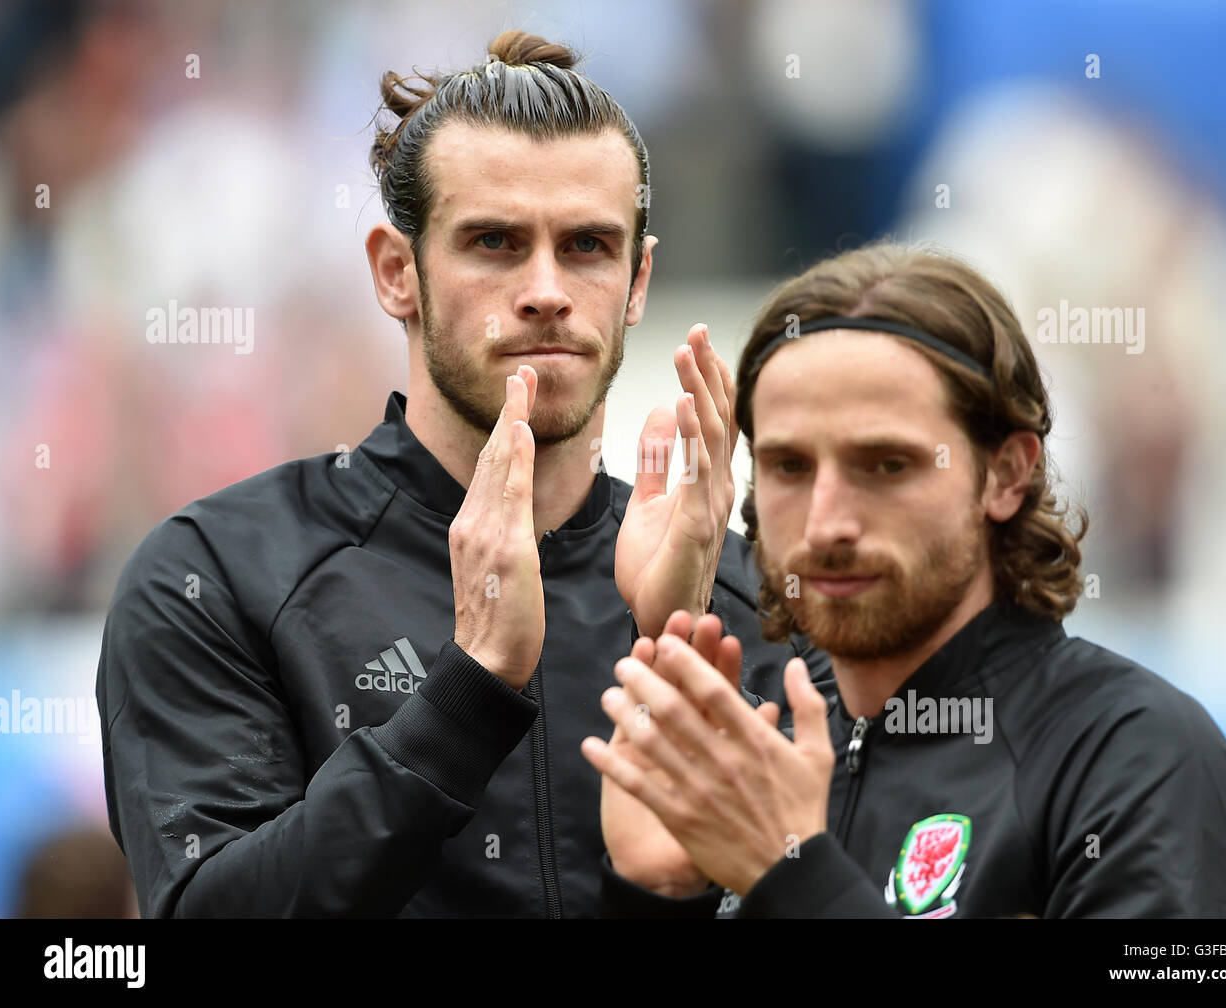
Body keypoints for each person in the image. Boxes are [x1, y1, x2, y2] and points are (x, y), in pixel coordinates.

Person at [95, 30, 832, 918]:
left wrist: (671, 650)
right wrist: (471, 685)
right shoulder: (216, 576)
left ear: (638, 282)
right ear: (397, 272)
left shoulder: (753, 604)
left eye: (589, 246)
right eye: (494, 242)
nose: (547, 289)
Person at [583, 241, 1226, 918]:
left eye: (886, 465)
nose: (827, 524)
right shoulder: (761, 759)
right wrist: (662, 899)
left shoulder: (1139, 758)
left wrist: (793, 879)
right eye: (790, 467)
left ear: (1006, 473)